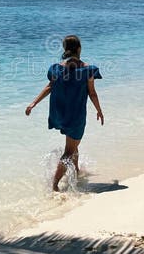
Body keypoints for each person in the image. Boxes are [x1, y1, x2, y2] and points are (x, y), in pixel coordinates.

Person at [25, 34, 104, 191]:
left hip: (60, 113)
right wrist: (99, 110)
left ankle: (76, 172)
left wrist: (34, 102)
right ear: (79, 48)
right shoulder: (87, 70)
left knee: (73, 145)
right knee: (70, 150)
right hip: (76, 115)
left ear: (65, 49)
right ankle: (54, 185)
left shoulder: (56, 68)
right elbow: (92, 93)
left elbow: (50, 86)